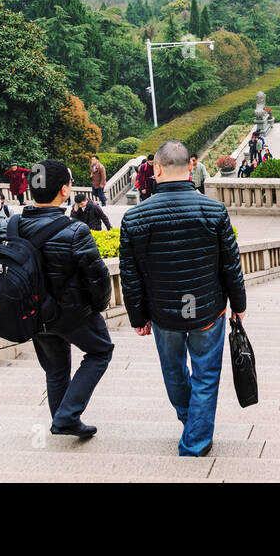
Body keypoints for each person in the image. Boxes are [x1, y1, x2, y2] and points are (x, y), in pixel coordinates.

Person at [120, 141, 247, 457]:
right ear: (191, 166)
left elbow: (130, 275)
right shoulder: (214, 210)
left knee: (173, 371)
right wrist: (239, 305)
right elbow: (230, 263)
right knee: (205, 375)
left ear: (157, 169)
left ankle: (191, 424)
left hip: (164, 314)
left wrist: (138, 317)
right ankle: (196, 439)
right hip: (208, 310)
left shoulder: (135, 217)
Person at [19, 159, 114, 439]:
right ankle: (67, 416)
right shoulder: (74, 231)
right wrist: (96, 307)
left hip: (34, 313)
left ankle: (63, 419)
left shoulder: (11, 228)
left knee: (56, 369)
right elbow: (97, 278)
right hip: (71, 314)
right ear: (64, 190)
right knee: (100, 351)